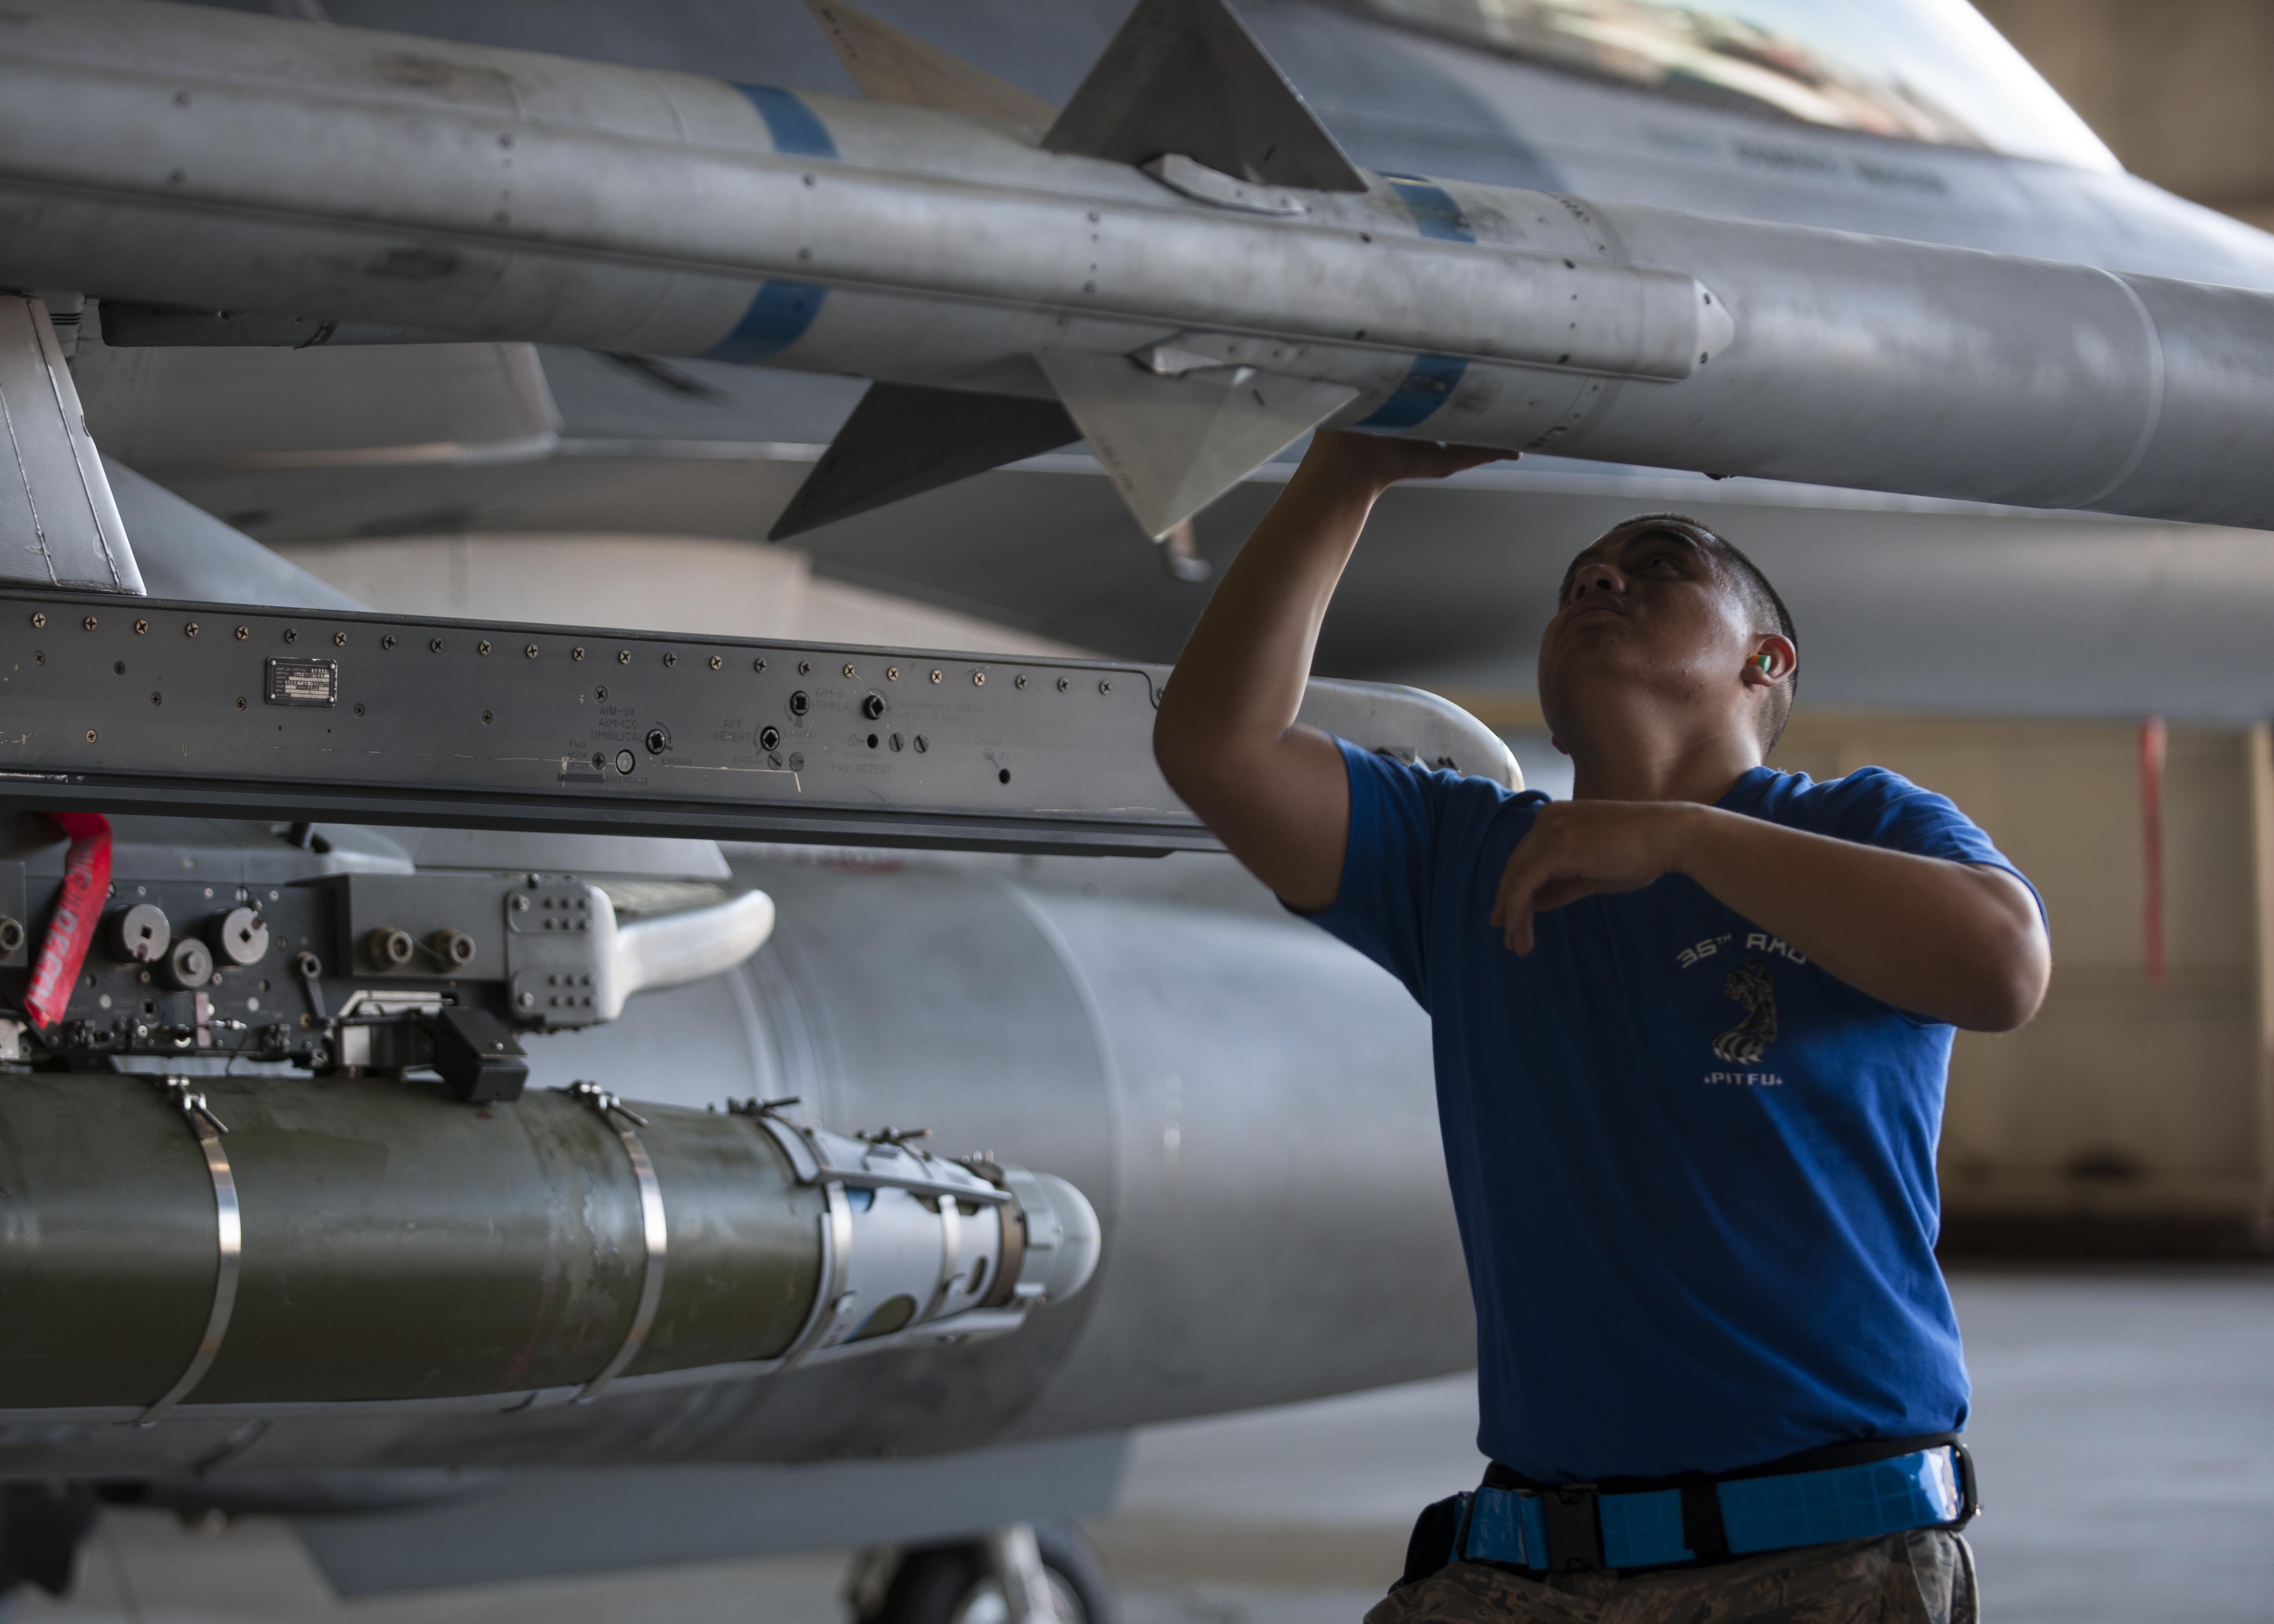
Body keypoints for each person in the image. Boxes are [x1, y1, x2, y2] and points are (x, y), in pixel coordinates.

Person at [1152, 432, 2051, 1624]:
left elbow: (2001, 967)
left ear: (1763, 660)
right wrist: (1344, 472)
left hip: (1821, 1556)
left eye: (1657, 565)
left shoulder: (1864, 825)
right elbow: (1217, 746)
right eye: (1579, 577)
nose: (1597, 583)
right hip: (1525, 1563)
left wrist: (1681, 838)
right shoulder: (1463, 857)